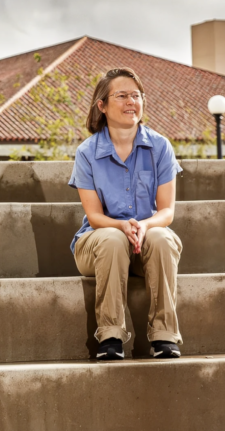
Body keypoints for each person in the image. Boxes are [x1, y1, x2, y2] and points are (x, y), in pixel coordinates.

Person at [68, 67, 184, 361]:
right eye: (121, 95)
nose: (131, 101)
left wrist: (143, 226)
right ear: (102, 106)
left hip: (144, 241)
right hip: (98, 244)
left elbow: (167, 211)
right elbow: (95, 218)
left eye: (136, 95)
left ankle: (164, 337)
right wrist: (122, 226)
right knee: (110, 238)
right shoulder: (87, 152)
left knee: (160, 238)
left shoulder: (160, 147)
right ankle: (110, 336)